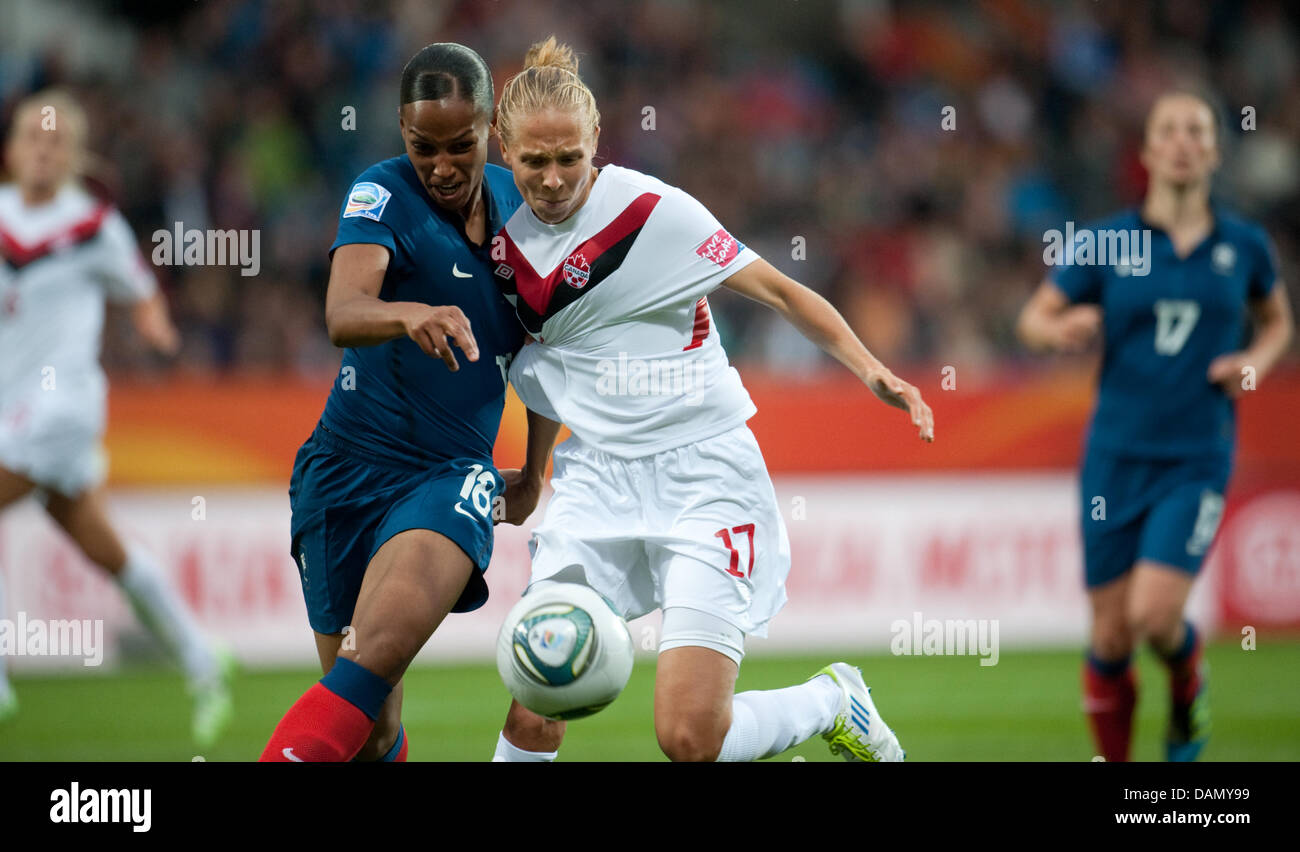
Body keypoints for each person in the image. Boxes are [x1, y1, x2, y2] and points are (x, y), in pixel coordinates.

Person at [488, 38, 934, 763]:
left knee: (690, 739)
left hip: (703, 477)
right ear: (503, 149)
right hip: (596, 478)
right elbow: (550, 368)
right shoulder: (503, 244)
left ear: (595, 141)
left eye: (569, 157)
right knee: (537, 695)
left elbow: (781, 290)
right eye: (533, 161)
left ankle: (832, 700)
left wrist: (869, 367)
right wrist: (537, 472)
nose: (552, 177)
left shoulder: (652, 212)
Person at [259, 43, 552, 762]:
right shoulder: (382, 192)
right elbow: (343, 310)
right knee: (373, 729)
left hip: (450, 476)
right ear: (400, 130)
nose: (443, 166)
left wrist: (536, 469)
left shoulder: (527, 206)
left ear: (491, 128)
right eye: (424, 147)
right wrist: (407, 313)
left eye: (461, 145)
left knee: (374, 656)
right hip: (342, 475)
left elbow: (554, 348)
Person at [1017, 91, 1293, 762]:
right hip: (1114, 457)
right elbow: (1031, 319)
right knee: (1110, 638)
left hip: (1195, 456)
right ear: (1145, 151)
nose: (1181, 141)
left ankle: (1185, 678)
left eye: (1196, 130)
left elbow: (1278, 322)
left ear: (1214, 150)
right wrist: (1061, 328)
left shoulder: (1244, 246)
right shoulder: (1108, 242)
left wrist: (1253, 364)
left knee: (1154, 616)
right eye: (1167, 130)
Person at [0, 90, 234, 744]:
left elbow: (140, 292)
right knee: (100, 542)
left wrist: (160, 331)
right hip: (12, 406)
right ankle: (201, 657)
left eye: (54, 143)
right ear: (13, 150)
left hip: (63, 404)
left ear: (71, 156)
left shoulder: (93, 226)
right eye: (31, 140)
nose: (41, 152)